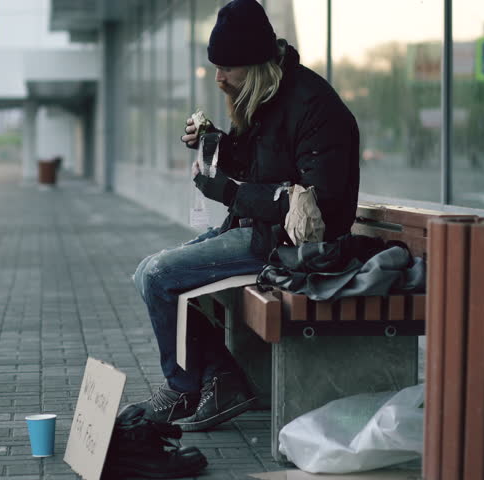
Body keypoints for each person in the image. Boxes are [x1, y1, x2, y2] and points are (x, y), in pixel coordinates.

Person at [128, 0, 360, 432]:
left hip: (291, 249)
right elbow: (257, 168)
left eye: (227, 68)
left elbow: (320, 208)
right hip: (255, 233)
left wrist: (232, 192)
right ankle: (219, 378)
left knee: (160, 276)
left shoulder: (315, 106)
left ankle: (185, 389)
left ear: (255, 64)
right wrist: (215, 143)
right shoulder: (263, 95)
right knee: (146, 271)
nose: (218, 78)